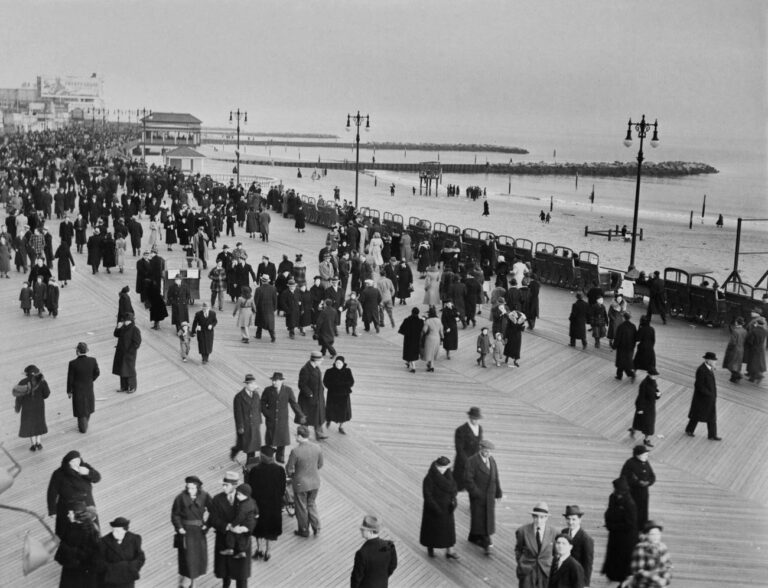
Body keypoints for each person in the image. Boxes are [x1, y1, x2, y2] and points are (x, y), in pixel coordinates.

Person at [208, 471, 254, 588]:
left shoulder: (245, 500)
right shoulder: (217, 499)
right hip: (224, 541)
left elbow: (251, 519)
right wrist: (227, 526)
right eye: (223, 485)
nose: (223, 487)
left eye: (226, 485)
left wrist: (243, 528)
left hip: (241, 543)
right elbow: (212, 519)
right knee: (225, 575)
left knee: (241, 578)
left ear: (234, 486)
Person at [47, 450, 102, 537]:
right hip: (68, 507)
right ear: (67, 462)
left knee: (91, 530)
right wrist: (52, 510)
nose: (76, 463)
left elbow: (97, 478)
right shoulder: (59, 474)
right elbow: (52, 492)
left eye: (78, 460)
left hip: (87, 504)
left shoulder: (85, 467)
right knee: (69, 532)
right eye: (73, 461)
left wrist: (88, 472)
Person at [171, 475, 213, 588]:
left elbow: (214, 510)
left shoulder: (204, 496)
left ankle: (193, 584)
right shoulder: (180, 498)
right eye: (188, 488)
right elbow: (175, 514)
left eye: (192, 488)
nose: (190, 490)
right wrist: (179, 527)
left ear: (198, 487)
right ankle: (181, 581)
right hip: (185, 532)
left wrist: (207, 525)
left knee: (196, 559)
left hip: (198, 532)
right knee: (185, 559)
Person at [247, 446, 286, 562]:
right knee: (270, 528)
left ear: (261, 457)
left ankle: (259, 549)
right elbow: (282, 489)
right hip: (273, 505)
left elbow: (250, 489)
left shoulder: (255, 470)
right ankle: (268, 551)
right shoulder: (279, 470)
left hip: (258, 505)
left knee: (258, 527)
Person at [465, 439, 502, 555]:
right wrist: (476, 493)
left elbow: (495, 477)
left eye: (489, 451)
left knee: (485, 518)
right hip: (478, 496)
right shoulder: (472, 461)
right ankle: (486, 543)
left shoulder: (492, 460)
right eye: (485, 450)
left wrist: (498, 493)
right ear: (480, 449)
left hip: (490, 496)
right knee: (481, 518)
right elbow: (468, 480)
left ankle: (473, 536)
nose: (487, 452)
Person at [287, 425, 324, 537]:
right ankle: (316, 527)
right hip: (315, 482)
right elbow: (320, 464)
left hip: (300, 484)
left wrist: (292, 475)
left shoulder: (295, 451)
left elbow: (289, 469)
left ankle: (303, 530)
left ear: (299, 436)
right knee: (311, 504)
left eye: (296, 435)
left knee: (301, 506)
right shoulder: (317, 447)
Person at [420, 456, 459, 559]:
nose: (443, 469)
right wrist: (435, 508)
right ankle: (430, 547)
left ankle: (449, 550)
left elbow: (453, 488)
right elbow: (427, 495)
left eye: (445, 467)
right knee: (432, 530)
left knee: (448, 530)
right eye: (441, 467)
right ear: (437, 466)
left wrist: (454, 500)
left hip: (447, 507)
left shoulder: (449, 475)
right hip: (434, 509)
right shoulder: (429, 478)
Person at [261, 372, 305, 463]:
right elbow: (262, 404)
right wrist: (267, 413)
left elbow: (293, 403)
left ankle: (280, 457)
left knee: (282, 439)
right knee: (270, 438)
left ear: (281, 381)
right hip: (271, 419)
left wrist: (300, 414)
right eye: (273, 381)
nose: (273, 383)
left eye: (276, 381)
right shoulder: (267, 390)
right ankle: (268, 457)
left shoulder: (288, 390)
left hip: (282, 420)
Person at [601, 477, 638, 585]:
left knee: (623, 556)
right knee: (613, 554)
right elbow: (608, 512)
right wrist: (609, 524)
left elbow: (630, 524)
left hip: (626, 537)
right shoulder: (613, 497)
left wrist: (613, 526)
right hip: (614, 533)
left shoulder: (630, 504)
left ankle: (623, 577)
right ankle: (612, 574)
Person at [55, 507, 100, 588]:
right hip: (83, 568)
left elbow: (65, 543)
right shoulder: (92, 530)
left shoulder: (72, 527)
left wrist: (64, 547)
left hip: (71, 566)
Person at [515, 502, 557, 587]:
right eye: (536, 517)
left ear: (546, 518)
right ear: (532, 517)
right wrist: (521, 563)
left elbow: (556, 553)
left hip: (545, 571)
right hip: (528, 570)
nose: (538, 520)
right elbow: (518, 549)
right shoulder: (523, 531)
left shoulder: (554, 532)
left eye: (542, 517)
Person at [351, 515, 398, 588]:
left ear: (370, 531)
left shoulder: (362, 553)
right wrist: (382, 577)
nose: (361, 531)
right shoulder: (389, 546)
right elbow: (393, 565)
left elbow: (356, 578)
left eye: (363, 529)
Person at [97, 517, 145, 588]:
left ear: (125, 531)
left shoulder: (134, 539)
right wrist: (112, 569)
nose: (115, 533)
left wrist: (131, 567)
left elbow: (140, 557)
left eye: (118, 531)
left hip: (127, 578)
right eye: (114, 530)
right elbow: (98, 561)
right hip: (111, 580)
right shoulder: (104, 541)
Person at [685, 351, 721, 440]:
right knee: (697, 415)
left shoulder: (709, 368)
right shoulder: (701, 370)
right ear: (708, 360)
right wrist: (709, 394)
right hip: (702, 398)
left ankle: (712, 435)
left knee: (711, 417)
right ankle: (690, 430)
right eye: (713, 360)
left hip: (709, 398)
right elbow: (698, 385)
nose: (715, 362)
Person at [626, 521, 672, 588]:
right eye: (652, 534)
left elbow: (668, 565)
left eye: (658, 534)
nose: (656, 537)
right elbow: (638, 571)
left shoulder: (663, 547)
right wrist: (657, 579)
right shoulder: (640, 548)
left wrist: (666, 578)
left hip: (660, 583)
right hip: (644, 583)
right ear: (647, 535)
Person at [14, 364, 50, 451]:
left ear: (27, 374)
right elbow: (47, 394)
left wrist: (17, 407)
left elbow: (19, 397)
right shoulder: (42, 381)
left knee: (31, 425)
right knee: (39, 423)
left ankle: (33, 444)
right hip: (39, 407)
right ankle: (39, 443)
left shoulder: (22, 382)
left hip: (27, 408)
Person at [620, 445, 656, 530]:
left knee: (643, 510)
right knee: (632, 509)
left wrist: (648, 482)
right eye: (645, 454)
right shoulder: (630, 463)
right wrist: (637, 483)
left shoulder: (646, 462)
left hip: (644, 493)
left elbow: (652, 476)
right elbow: (624, 477)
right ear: (638, 455)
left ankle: (642, 526)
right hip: (633, 492)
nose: (646, 456)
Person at [66, 342, 100, 433]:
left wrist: (69, 391)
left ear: (77, 351)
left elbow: (70, 379)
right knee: (88, 405)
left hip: (77, 389)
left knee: (80, 407)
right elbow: (97, 373)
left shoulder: (73, 363)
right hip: (88, 387)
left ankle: (83, 426)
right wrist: (90, 379)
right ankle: (85, 424)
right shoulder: (92, 360)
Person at [230, 374, 262, 462]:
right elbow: (238, 413)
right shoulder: (239, 397)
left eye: (254, 384)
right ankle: (235, 451)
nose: (253, 386)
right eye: (251, 384)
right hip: (245, 424)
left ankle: (250, 463)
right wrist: (240, 426)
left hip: (255, 424)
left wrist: (259, 421)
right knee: (244, 444)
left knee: (252, 445)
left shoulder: (256, 395)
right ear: (246, 384)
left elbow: (258, 408)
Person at [220, 484, 258, 559]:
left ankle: (230, 548)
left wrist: (232, 525)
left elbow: (240, 517)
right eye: (237, 494)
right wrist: (256, 514)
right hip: (251, 525)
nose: (237, 496)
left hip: (244, 524)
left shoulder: (244, 506)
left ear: (246, 495)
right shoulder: (251, 501)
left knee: (231, 531)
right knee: (243, 536)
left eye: (239, 495)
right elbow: (256, 509)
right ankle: (242, 551)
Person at [560, 505, 593, 587]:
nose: (570, 522)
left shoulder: (586, 539)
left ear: (580, 520)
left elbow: (588, 564)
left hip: (577, 578)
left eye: (574, 519)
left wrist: (585, 584)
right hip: (563, 577)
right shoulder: (563, 532)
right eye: (568, 519)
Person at [629, 368, 661, 447]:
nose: (656, 377)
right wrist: (640, 409)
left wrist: (658, 394)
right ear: (650, 375)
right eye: (654, 375)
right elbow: (641, 397)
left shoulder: (653, 382)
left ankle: (645, 438)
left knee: (648, 423)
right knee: (642, 421)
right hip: (644, 406)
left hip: (650, 406)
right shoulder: (644, 384)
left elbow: (655, 391)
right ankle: (634, 430)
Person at [454, 407, 483, 492]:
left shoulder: (479, 428)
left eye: (477, 419)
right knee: (458, 485)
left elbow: (479, 444)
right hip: (463, 461)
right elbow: (459, 449)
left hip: (475, 460)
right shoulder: (461, 430)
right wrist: (467, 461)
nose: (476, 421)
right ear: (470, 418)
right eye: (474, 419)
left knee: (474, 484)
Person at [323, 355, 354, 434]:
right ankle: (329, 420)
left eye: (340, 363)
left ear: (343, 364)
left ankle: (341, 426)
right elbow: (325, 381)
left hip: (343, 395)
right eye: (337, 363)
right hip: (332, 394)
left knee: (343, 411)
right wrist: (332, 386)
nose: (338, 364)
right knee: (331, 409)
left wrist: (343, 385)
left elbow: (351, 381)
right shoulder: (329, 371)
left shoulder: (348, 371)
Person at [112, 313, 142, 393]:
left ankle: (132, 387)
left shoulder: (135, 329)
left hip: (129, 354)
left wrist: (129, 352)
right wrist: (117, 328)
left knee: (130, 370)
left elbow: (137, 343)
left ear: (130, 321)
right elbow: (116, 334)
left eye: (125, 321)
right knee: (122, 370)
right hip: (121, 352)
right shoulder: (123, 327)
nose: (124, 322)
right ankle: (124, 387)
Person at [613, 312, 637, 381]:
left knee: (621, 361)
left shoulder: (621, 327)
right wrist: (633, 345)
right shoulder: (633, 326)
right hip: (630, 348)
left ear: (624, 318)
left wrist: (614, 346)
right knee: (626, 361)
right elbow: (635, 337)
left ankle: (621, 375)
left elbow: (618, 338)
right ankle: (624, 374)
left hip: (622, 348)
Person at [398, 307, 423, 373]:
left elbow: (401, 330)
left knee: (409, 352)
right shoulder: (420, 322)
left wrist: (407, 333)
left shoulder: (407, 320)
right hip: (416, 339)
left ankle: (413, 367)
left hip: (408, 339)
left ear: (411, 312)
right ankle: (408, 362)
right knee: (414, 352)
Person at [723, 316, 747, 382]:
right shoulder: (744, 331)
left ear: (736, 323)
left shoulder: (735, 331)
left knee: (730, 364)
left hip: (734, 350)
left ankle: (737, 375)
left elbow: (732, 342)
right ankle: (734, 378)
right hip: (741, 349)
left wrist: (729, 349)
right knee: (736, 364)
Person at [745, 314, 767, 383]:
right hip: (761, 348)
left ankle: (757, 376)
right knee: (758, 363)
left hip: (754, 348)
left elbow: (750, 341)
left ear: (757, 323)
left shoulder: (754, 331)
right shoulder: (765, 331)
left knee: (752, 363)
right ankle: (753, 377)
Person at [421, 306, 444, 372]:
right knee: (433, 352)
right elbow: (441, 331)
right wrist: (442, 338)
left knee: (429, 352)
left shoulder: (428, 321)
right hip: (437, 338)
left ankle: (431, 366)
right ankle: (431, 365)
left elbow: (424, 330)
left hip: (429, 338)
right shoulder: (439, 320)